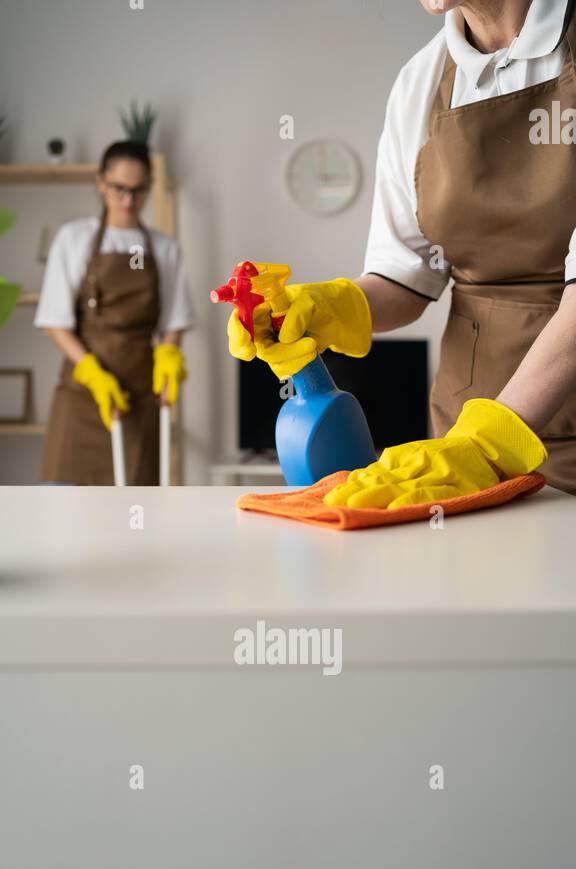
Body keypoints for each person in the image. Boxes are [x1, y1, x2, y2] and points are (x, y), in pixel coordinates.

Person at [228, 0, 576, 507]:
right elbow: (407, 279)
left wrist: (491, 443)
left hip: (496, 436)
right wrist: (326, 307)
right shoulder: (422, 80)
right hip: (464, 434)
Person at [36, 140, 194, 484]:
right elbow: (54, 321)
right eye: (119, 188)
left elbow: (174, 322)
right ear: (100, 183)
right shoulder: (74, 238)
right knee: (66, 508)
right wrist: (92, 372)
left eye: (139, 191)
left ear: (149, 188)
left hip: (140, 395)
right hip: (81, 395)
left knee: (136, 508)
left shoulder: (165, 248)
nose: (128, 200)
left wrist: (169, 354)